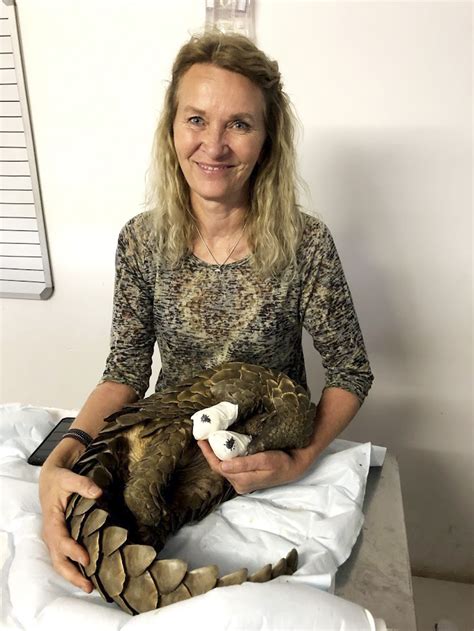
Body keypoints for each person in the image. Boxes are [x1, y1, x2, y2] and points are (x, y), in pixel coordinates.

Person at [39, 31, 373, 595]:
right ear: (171, 129)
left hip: (263, 459)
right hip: (167, 443)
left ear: (267, 140)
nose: (213, 145)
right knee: (99, 555)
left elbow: (350, 371)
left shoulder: (304, 244)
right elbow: (124, 371)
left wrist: (301, 458)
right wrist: (60, 458)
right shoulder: (141, 240)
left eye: (239, 124)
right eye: (196, 119)